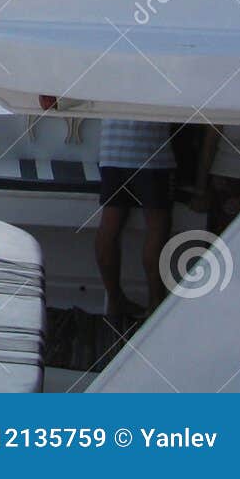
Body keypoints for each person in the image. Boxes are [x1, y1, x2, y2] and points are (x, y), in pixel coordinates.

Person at [94, 118, 174, 325]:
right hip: (151, 151)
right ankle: (156, 304)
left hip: (112, 152)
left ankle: (115, 300)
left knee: (109, 227)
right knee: (157, 227)